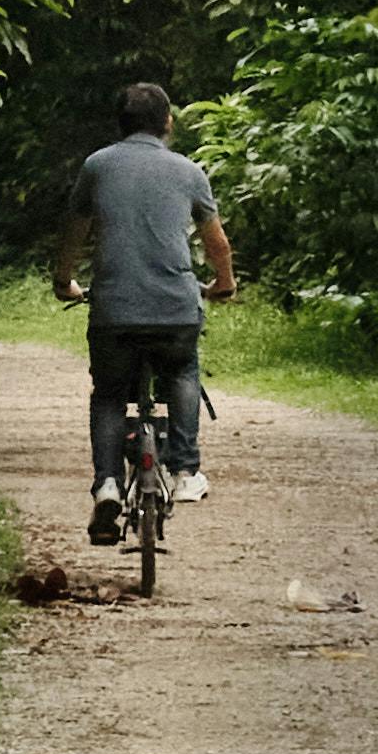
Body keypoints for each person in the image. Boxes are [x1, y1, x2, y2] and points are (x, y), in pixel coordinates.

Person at [52, 83, 237, 543]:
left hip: (114, 310)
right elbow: (217, 243)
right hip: (176, 307)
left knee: (111, 394)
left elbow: (74, 233)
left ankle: (108, 484)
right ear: (168, 122)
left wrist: (64, 282)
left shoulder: (97, 166)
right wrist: (224, 284)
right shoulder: (189, 171)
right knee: (181, 373)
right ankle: (186, 470)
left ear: (120, 123)